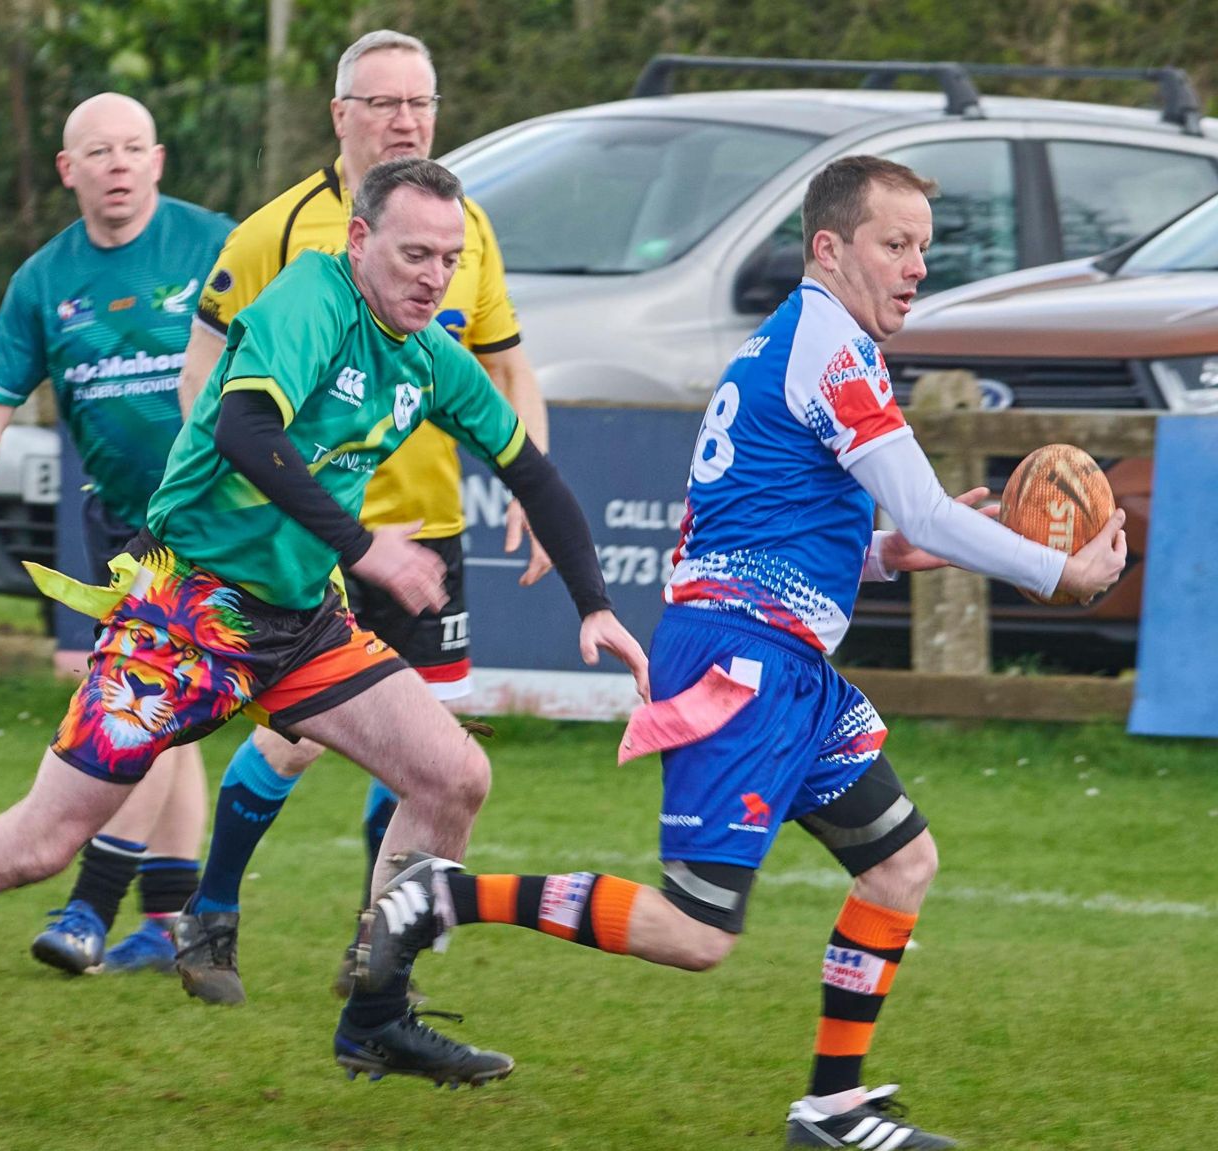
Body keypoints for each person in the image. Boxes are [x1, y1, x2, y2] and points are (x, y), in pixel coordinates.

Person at [0, 157, 647, 1113]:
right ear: (359, 242)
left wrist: (593, 604)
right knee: (38, 843)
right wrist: (364, 544)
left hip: (298, 622)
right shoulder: (310, 301)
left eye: (450, 258)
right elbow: (244, 430)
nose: (434, 275)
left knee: (453, 775)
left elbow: (531, 472)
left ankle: (378, 1008)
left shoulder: (427, 356)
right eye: (415, 252)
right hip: (185, 611)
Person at [352, 155, 1127, 1145]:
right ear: (828, 248)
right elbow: (921, 500)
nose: (913, 267)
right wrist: (1054, 572)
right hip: (742, 665)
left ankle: (832, 1104)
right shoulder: (828, 347)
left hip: (781, 660)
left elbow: (777, 523)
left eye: (921, 249)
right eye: (893, 245)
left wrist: (887, 555)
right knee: (698, 931)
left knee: (898, 862)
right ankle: (442, 892)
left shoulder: (800, 343)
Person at [165, 29, 552, 1006]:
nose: (404, 121)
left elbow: (504, 365)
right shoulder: (276, 233)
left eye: (418, 104)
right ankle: (209, 909)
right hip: (316, 549)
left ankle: (372, 946)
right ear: (339, 116)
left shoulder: (461, 226)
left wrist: (534, 490)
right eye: (382, 103)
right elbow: (205, 382)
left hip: (425, 541)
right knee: (289, 740)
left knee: (427, 749)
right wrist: (256, 501)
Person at [0, 93, 235, 977]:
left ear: (157, 161)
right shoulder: (44, 279)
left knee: (143, 702)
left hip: (215, 514)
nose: (118, 163)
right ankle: (168, 922)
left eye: (134, 148)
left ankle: (89, 906)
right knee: (167, 714)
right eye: (99, 151)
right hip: (118, 522)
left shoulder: (218, 244)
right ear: (69, 170)